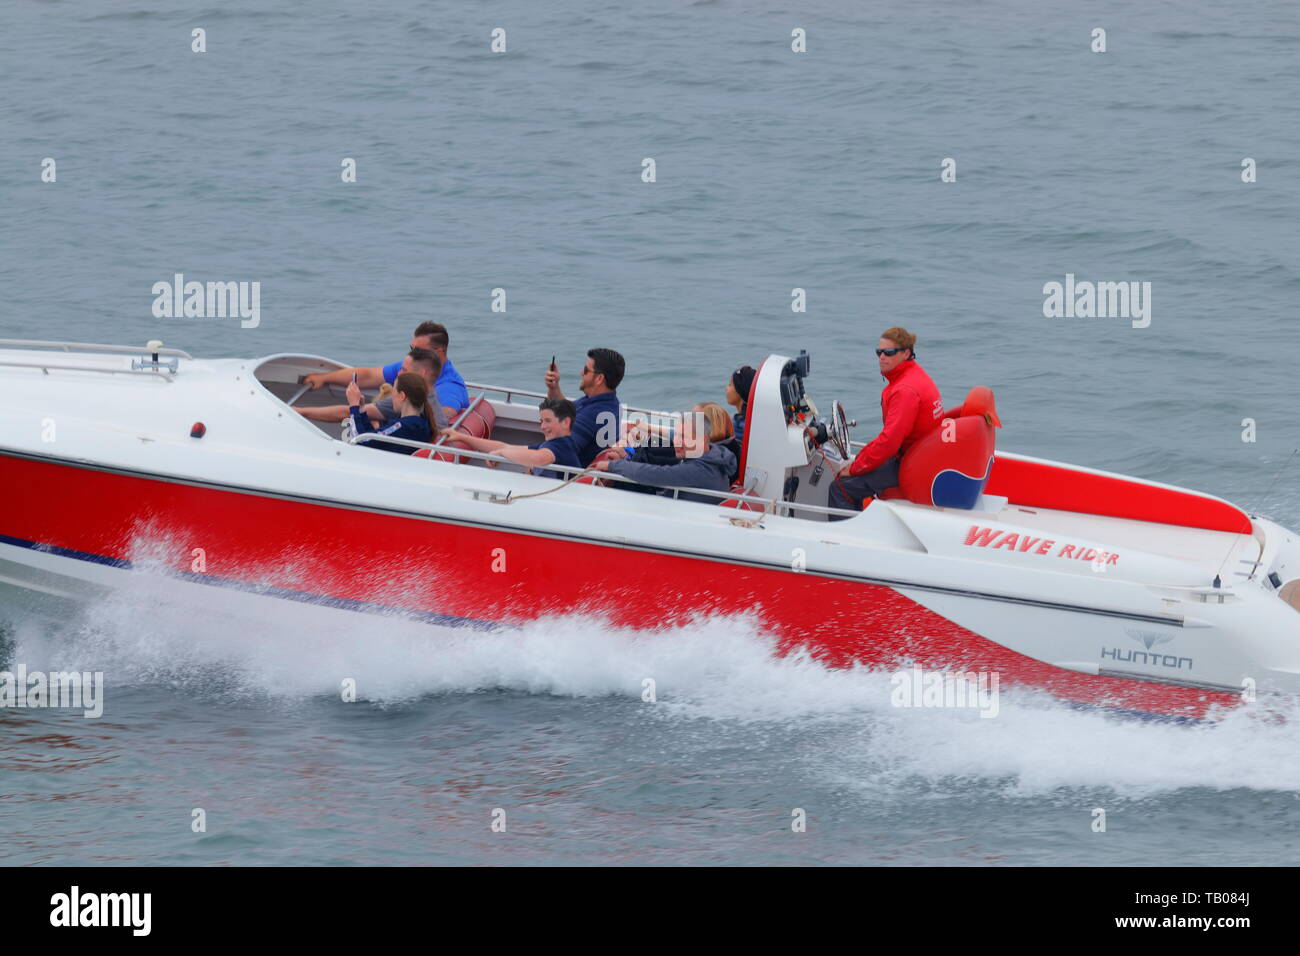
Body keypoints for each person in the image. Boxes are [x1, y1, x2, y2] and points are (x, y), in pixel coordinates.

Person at [828, 326, 945, 518]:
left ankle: (842, 541)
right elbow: (892, 437)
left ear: (906, 353)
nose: (882, 357)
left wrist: (857, 467)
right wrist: (861, 460)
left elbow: (890, 442)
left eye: (889, 352)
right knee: (858, 466)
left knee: (841, 486)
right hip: (919, 454)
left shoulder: (904, 390)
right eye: (879, 352)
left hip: (910, 462)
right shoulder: (913, 375)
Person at [302, 321, 469, 420]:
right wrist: (325, 378)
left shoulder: (449, 386)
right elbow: (369, 376)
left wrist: (392, 409)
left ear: (437, 352)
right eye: (411, 348)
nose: (411, 354)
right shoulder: (412, 367)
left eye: (417, 350)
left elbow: (444, 417)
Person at [593, 407, 735, 503]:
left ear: (703, 439)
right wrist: (626, 458)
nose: (677, 442)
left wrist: (612, 465)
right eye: (677, 435)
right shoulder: (713, 455)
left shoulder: (701, 470)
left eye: (683, 437)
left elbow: (655, 474)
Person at [299, 347, 448, 429]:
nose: (398, 373)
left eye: (403, 370)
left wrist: (298, 411)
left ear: (422, 373)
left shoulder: (408, 401)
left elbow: (345, 414)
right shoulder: (430, 398)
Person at [442, 398, 581, 479]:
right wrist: (462, 437)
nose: (543, 426)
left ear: (566, 422)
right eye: (541, 421)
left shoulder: (560, 447)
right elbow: (503, 446)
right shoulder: (558, 443)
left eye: (548, 421)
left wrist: (502, 454)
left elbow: (539, 459)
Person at [544, 348, 624, 466]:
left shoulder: (593, 414)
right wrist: (554, 388)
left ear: (599, 378)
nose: (581, 373)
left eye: (586, 370)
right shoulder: (608, 403)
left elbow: (560, 450)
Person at [348, 371, 435, 454]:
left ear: (402, 396)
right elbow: (372, 439)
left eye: (393, 390)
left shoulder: (403, 426)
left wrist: (353, 407)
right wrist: (361, 410)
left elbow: (359, 441)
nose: (391, 396)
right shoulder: (419, 423)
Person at [726, 365, 756, 445]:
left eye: (730, 384)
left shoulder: (738, 427)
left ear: (740, 390)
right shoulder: (755, 418)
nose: (726, 388)